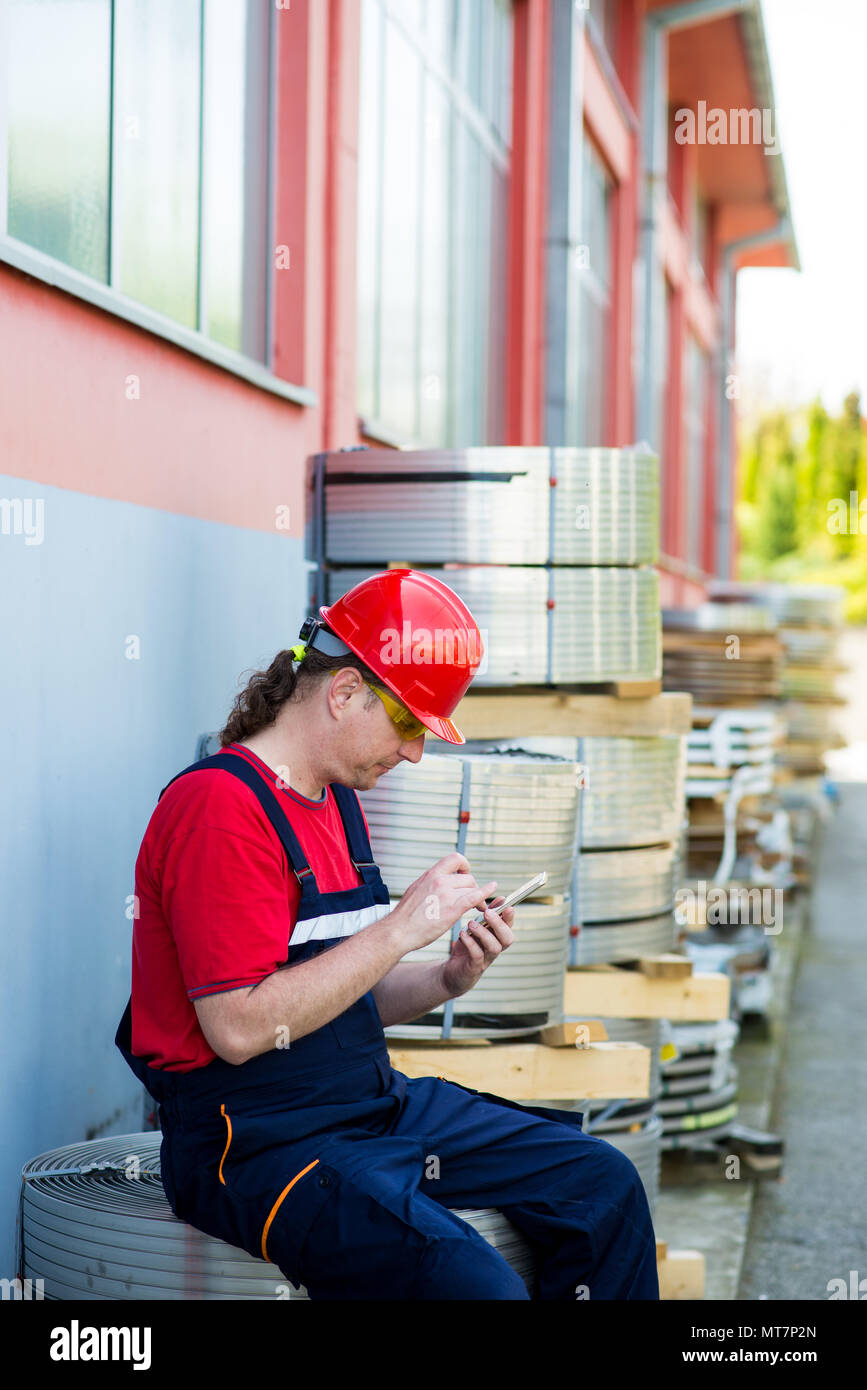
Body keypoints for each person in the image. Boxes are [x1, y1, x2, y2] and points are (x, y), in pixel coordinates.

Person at [116, 568, 659, 1300]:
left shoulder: (337, 804)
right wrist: (401, 930)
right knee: (475, 1289)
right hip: (255, 1146)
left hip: (365, 1106)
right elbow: (240, 1028)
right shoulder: (218, 808)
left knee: (601, 1184)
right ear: (342, 693)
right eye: (408, 724)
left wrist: (444, 979)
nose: (413, 754)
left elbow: (335, 1001)